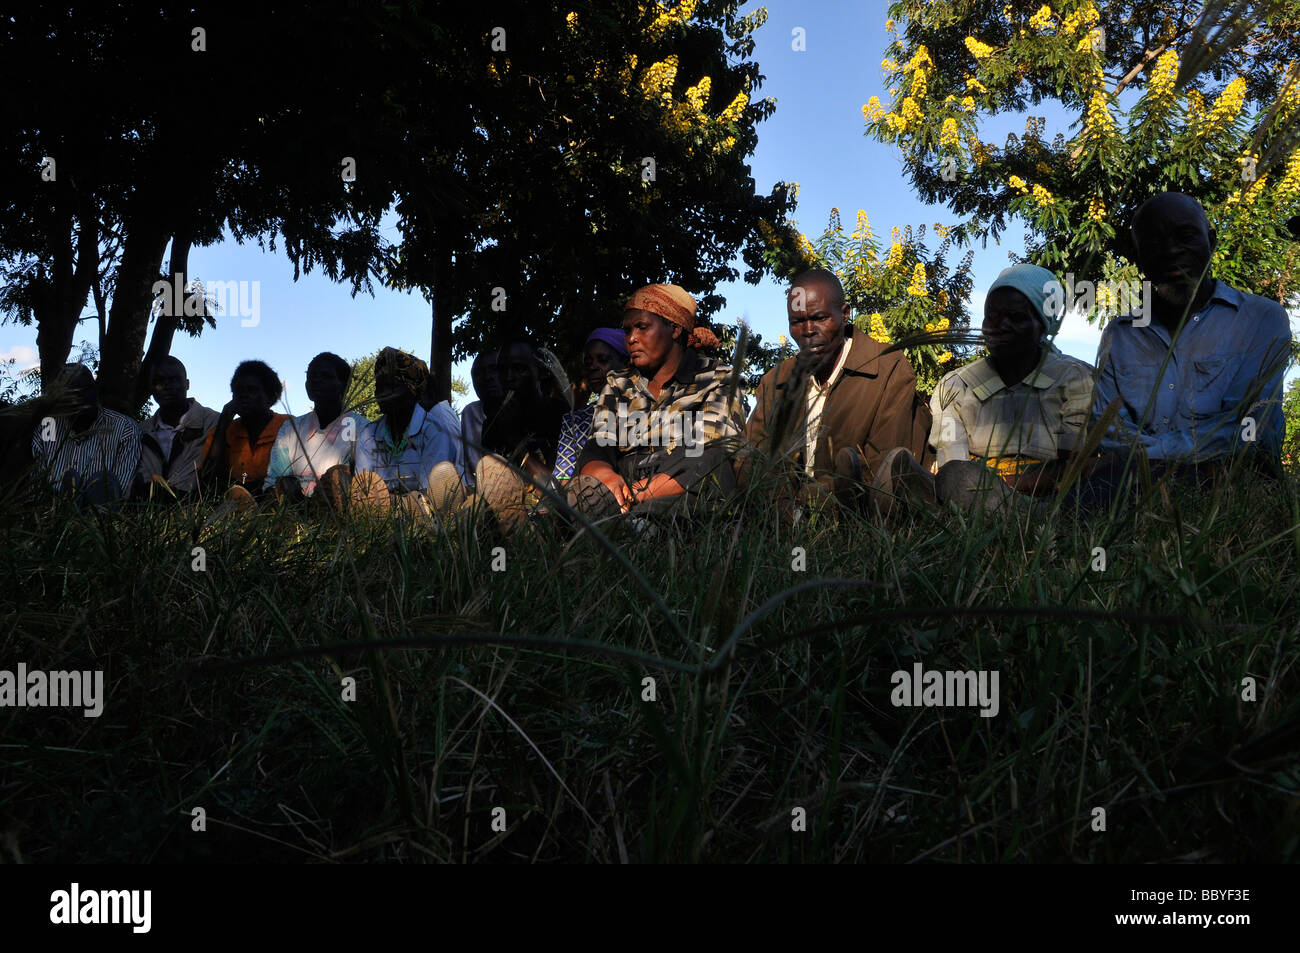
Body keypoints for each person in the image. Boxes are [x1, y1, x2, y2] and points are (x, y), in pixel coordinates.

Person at [1091, 191, 1292, 479]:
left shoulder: (1262, 320)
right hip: (1136, 485)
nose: (1171, 251)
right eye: (1153, 242)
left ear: (1211, 243)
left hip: (1232, 484)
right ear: (1138, 259)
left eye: (1185, 236)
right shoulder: (1119, 335)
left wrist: (1148, 456)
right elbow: (1107, 430)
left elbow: (1250, 429)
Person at [878, 264, 1096, 513]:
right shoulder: (956, 386)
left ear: (1043, 326)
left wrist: (1002, 486)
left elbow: (1076, 468)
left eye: (1017, 317)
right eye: (991, 314)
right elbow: (953, 467)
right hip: (967, 491)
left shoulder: (1076, 379)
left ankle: (910, 501)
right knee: (956, 479)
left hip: (1046, 502)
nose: (998, 325)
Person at [743, 268, 932, 511]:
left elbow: (885, 469)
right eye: (797, 322)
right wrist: (779, 505)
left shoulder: (889, 369)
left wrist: (805, 501)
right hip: (782, 522)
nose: (808, 330)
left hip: (863, 521)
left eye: (820, 318)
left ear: (844, 315)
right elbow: (750, 460)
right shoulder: (775, 382)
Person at [565, 283, 746, 522]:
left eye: (642, 327)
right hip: (623, 480)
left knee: (713, 462)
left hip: (680, 481)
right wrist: (604, 476)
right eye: (628, 330)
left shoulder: (718, 379)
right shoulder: (619, 385)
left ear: (675, 329)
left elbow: (709, 452)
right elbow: (599, 446)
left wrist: (633, 494)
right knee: (583, 476)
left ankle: (631, 522)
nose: (631, 338)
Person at [350, 347, 464, 510]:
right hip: (380, 520)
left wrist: (389, 504)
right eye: (379, 386)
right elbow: (363, 493)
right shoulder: (368, 435)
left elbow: (433, 496)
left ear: (413, 390)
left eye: (391, 386)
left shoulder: (434, 432)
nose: (381, 393)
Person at [28, 363, 141, 504]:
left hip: (101, 518)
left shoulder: (124, 428)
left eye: (84, 390)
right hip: (52, 514)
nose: (79, 398)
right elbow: (38, 480)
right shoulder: (49, 426)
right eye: (71, 393)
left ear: (95, 389)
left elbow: (120, 491)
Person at [264, 352, 370, 501]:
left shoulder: (363, 429)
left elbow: (358, 488)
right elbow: (276, 481)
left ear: (343, 385)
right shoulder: (290, 429)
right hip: (292, 516)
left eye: (326, 376)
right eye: (311, 375)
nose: (315, 380)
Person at [481, 336, 568, 480]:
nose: (508, 377)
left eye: (519, 369)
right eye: (502, 370)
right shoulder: (494, 422)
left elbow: (554, 486)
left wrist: (514, 439)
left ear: (540, 372)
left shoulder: (560, 415)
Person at [200, 360, 292, 497]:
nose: (243, 395)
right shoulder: (224, 432)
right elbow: (207, 484)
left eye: (252, 390)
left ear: (270, 396)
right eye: (238, 391)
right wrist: (222, 425)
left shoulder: (288, 426)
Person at [135, 356, 221, 497]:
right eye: (159, 381)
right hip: (144, 512)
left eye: (174, 380)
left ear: (187, 384)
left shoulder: (214, 423)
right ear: (151, 388)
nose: (167, 386)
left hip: (197, 512)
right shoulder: (140, 431)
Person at [553, 328, 630, 483]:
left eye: (602, 360)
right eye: (588, 363)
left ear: (626, 363)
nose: (593, 367)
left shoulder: (645, 410)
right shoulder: (575, 421)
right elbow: (563, 479)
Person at [460, 350, 502, 485]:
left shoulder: (523, 409)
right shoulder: (470, 413)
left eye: (494, 369)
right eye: (478, 373)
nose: (487, 377)